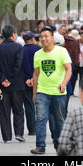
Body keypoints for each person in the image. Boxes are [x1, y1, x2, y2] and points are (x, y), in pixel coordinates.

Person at [30, 26, 72, 155]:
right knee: (40, 118)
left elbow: (68, 69)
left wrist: (64, 83)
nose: (43, 39)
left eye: (46, 36)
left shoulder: (62, 51)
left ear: (52, 38)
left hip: (58, 92)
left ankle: (59, 144)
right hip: (43, 91)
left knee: (59, 119)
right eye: (41, 37)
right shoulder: (37, 54)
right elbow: (36, 75)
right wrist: (34, 93)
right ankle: (40, 146)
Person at [0, 25, 25, 143]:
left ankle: (7, 137)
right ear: (13, 34)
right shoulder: (18, 47)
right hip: (16, 83)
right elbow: (18, 64)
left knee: (4, 111)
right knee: (18, 109)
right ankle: (18, 133)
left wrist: (3, 79)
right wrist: (11, 78)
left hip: (2, 85)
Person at [21, 31, 40, 136]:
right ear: (33, 39)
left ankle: (32, 129)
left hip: (25, 82)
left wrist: (27, 79)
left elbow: (19, 67)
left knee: (28, 105)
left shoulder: (21, 50)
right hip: (39, 80)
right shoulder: (39, 50)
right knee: (41, 105)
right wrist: (34, 78)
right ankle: (40, 127)